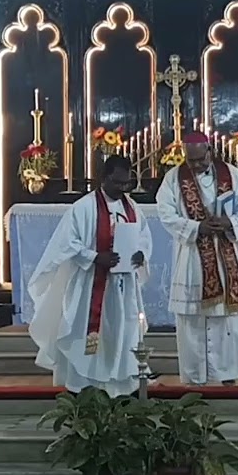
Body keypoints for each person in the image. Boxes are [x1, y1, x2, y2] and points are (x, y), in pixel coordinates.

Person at [27, 154, 151, 397]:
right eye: (117, 182)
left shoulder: (132, 208)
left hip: (123, 285)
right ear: (103, 178)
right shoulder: (83, 208)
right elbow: (67, 243)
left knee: (122, 332)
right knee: (88, 331)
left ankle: (121, 386)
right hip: (91, 285)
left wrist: (141, 255)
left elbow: (144, 237)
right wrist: (94, 256)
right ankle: (84, 387)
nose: (122, 189)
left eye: (126, 183)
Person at [155, 132, 238, 385]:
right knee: (192, 319)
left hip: (227, 255)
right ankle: (195, 376)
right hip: (192, 258)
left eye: (201, 160)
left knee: (228, 319)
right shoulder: (172, 179)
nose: (197, 165)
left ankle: (228, 374)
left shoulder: (232, 175)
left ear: (210, 151)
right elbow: (166, 214)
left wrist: (229, 222)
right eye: (191, 161)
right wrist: (196, 227)